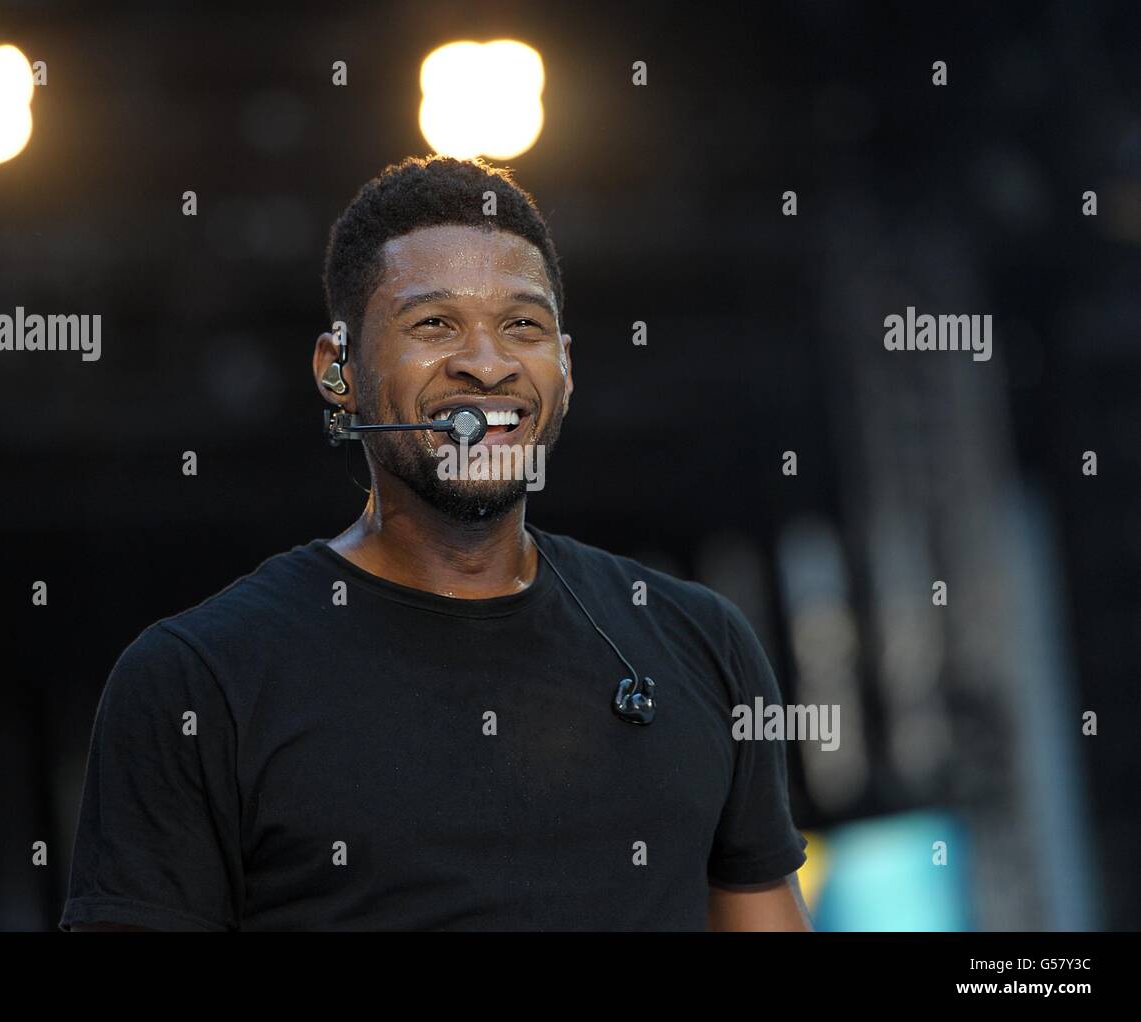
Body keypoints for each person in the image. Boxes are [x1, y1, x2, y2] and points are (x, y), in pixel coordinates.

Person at [60, 155, 812, 931]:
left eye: (523, 325)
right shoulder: (196, 681)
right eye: (433, 324)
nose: (486, 365)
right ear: (337, 372)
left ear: (565, 366)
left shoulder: (700, 641)